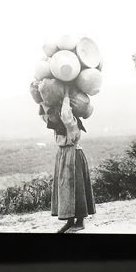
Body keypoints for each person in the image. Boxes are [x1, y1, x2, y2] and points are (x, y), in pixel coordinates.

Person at [46, 98, 95, 233]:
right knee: (65, 189)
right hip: (62, 154)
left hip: (73, 154)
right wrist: (44, 103)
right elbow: (45, 116)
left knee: (77, 188)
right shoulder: (57, 124)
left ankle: (80, 222)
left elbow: (66, 115)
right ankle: (69, 221)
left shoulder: (72, 122)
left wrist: (66, 95)